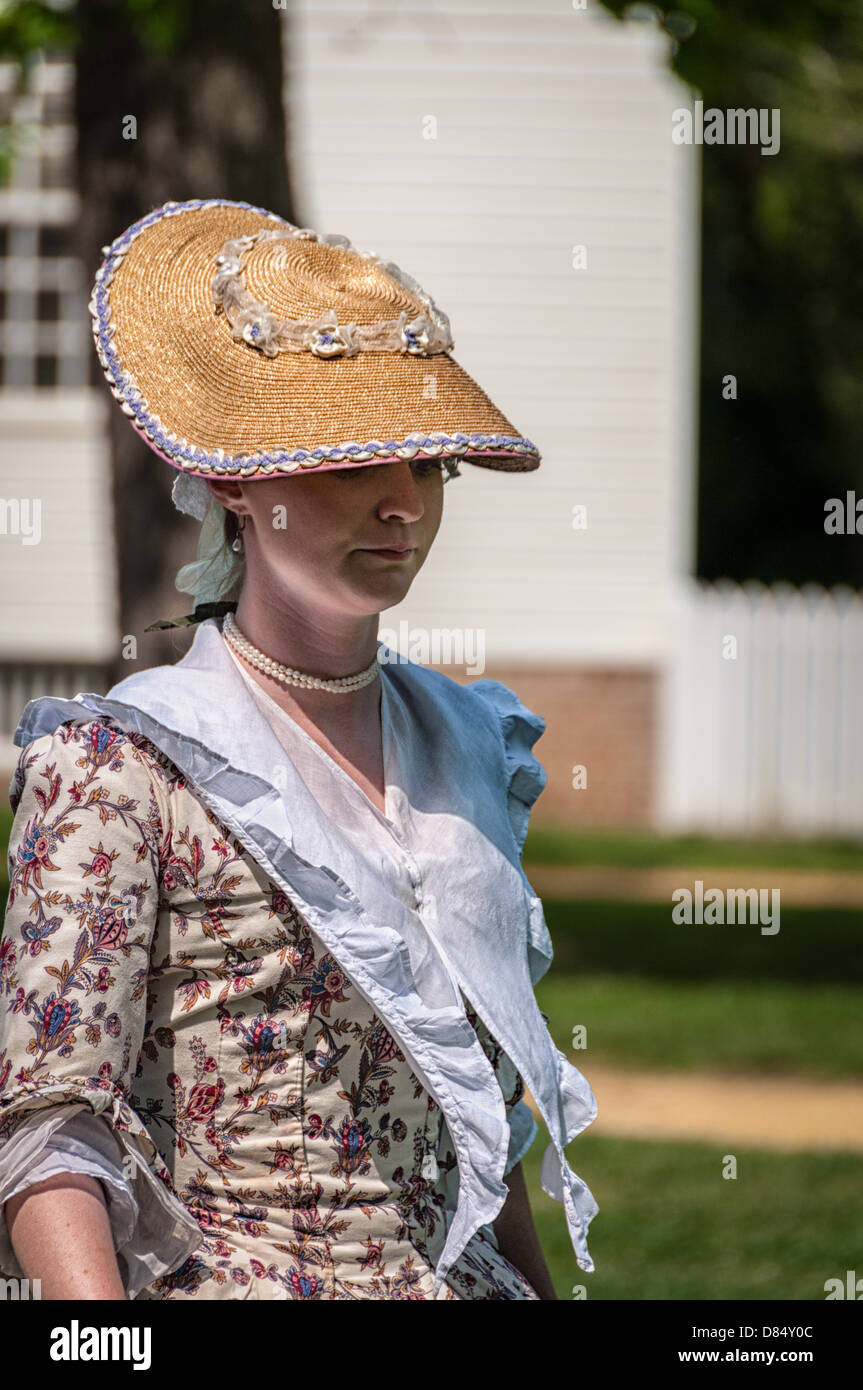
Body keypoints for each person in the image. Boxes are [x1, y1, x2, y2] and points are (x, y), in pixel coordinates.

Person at [0, 198, 598, 1300]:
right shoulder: (121, 767)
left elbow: (475, 1103)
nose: (396, 504)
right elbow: (50, 1127)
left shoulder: (467, 745)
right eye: (343, 462)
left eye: (424, 467)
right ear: (232, 478)